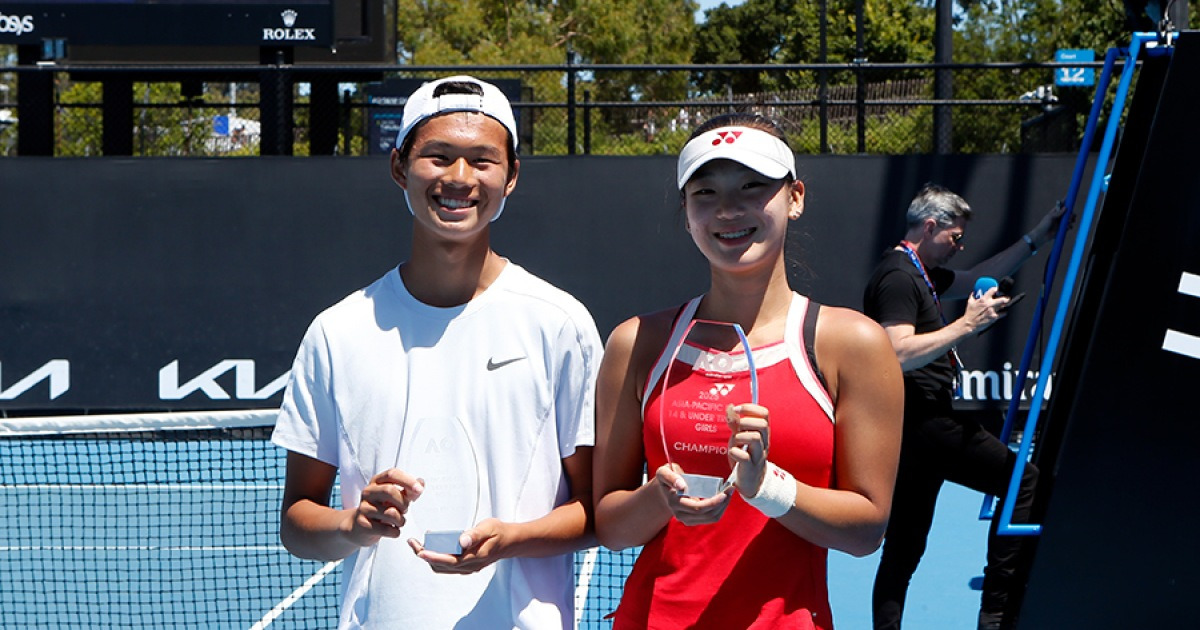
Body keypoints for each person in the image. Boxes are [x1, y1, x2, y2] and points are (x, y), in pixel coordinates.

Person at [271, 75, 603, 629]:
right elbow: (297, 522)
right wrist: (355, 523)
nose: (459, 178)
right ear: (400, 166)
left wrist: (513, 540)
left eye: (481, 160)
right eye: (439, 156)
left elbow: (597, 511)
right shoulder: (337, 332)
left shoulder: (560, 324)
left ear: (512, 176)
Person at [593, 112, 904, 629]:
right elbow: (612, 526)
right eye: (705, 193)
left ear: (795, 197)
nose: (729, 210)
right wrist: (660, 498)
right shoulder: (636, 343)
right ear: (687, 213)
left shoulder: (853, 344)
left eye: (752, 187)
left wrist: (768, 488)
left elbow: (865, 530)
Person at [864, 183, 1067, 630]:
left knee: (903, 547)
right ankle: (996, 612)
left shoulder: (921, 271)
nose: (959, 248)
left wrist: (1039, 235)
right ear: (930, 226)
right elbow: (895, 354)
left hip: (916, 428)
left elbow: (980, 274)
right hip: (925, 423)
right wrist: (965, 326)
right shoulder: (899, 277)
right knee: (1022, 481)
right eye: (955, 238)